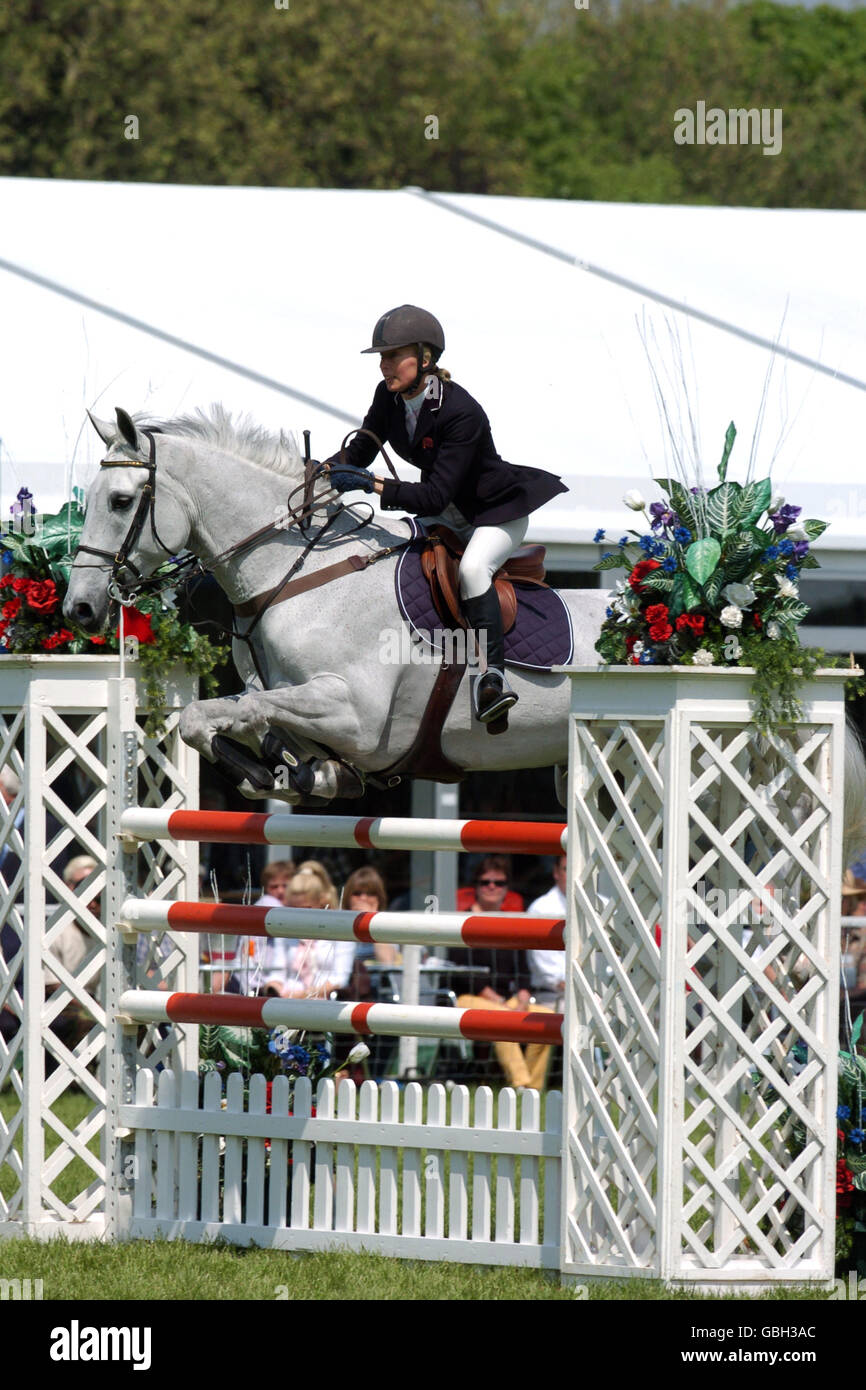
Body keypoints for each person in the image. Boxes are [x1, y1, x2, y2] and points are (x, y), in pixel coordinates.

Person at [326, 305, 568, 728]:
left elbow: (435, 491)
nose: (384, 366)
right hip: (447, 513)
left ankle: (492, 677)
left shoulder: (461, 412)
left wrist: (372, 484)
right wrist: (320, 473)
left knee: (474, 570)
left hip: (494, 514)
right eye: (381, 357)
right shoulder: (388, 397)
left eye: (392, 355)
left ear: (424, 357)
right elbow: (361, 450)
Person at [454, 856, 554, 1090]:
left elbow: (523, 970)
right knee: (503, 1019)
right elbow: (461, 972)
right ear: (475, 887)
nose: (492, 887)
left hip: (507, 1000)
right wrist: (501, 1002)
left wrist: (521, 998)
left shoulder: (512, 923)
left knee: (547, 1020)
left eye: (499, 883)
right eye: (485, 882)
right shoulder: (461, 922)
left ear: (507, 889)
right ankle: (521, 1084)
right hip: (468, 998)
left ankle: (533, 1089)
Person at [278, 869, 356, 999]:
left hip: (327, 1002)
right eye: (295, 909)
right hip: (286, 1000)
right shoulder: (282, 929)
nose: (301, 915)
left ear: (320, 902)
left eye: (307, 908)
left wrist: (304, 995)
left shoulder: (340, 929)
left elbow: (340, 978)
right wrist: (277, 989)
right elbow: (276, 972)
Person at [526, 854, 567, 1008]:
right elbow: (550, 973)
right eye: (567, 869)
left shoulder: (603, 904)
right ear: (556, 872)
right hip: (552, 999)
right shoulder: (541, 909)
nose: (574, 873)